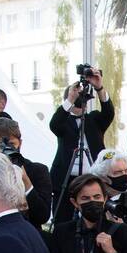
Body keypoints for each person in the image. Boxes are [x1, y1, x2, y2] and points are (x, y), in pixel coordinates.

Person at [49, 70, 114, 222]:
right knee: (63, 221)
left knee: (95, 219)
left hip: (92, 178)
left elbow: (108, 112)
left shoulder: (94, 119)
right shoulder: (63, 120)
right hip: (66, 179)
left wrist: (99, 88)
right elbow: (54, 125)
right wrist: (70, 99)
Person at [0, 118, 52, 229]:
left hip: (26, 233)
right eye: (0, 145)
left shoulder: (37, 170)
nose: (7, 149)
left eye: (11, 144)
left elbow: (42, 216)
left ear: (20, 143)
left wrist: (25, 181)